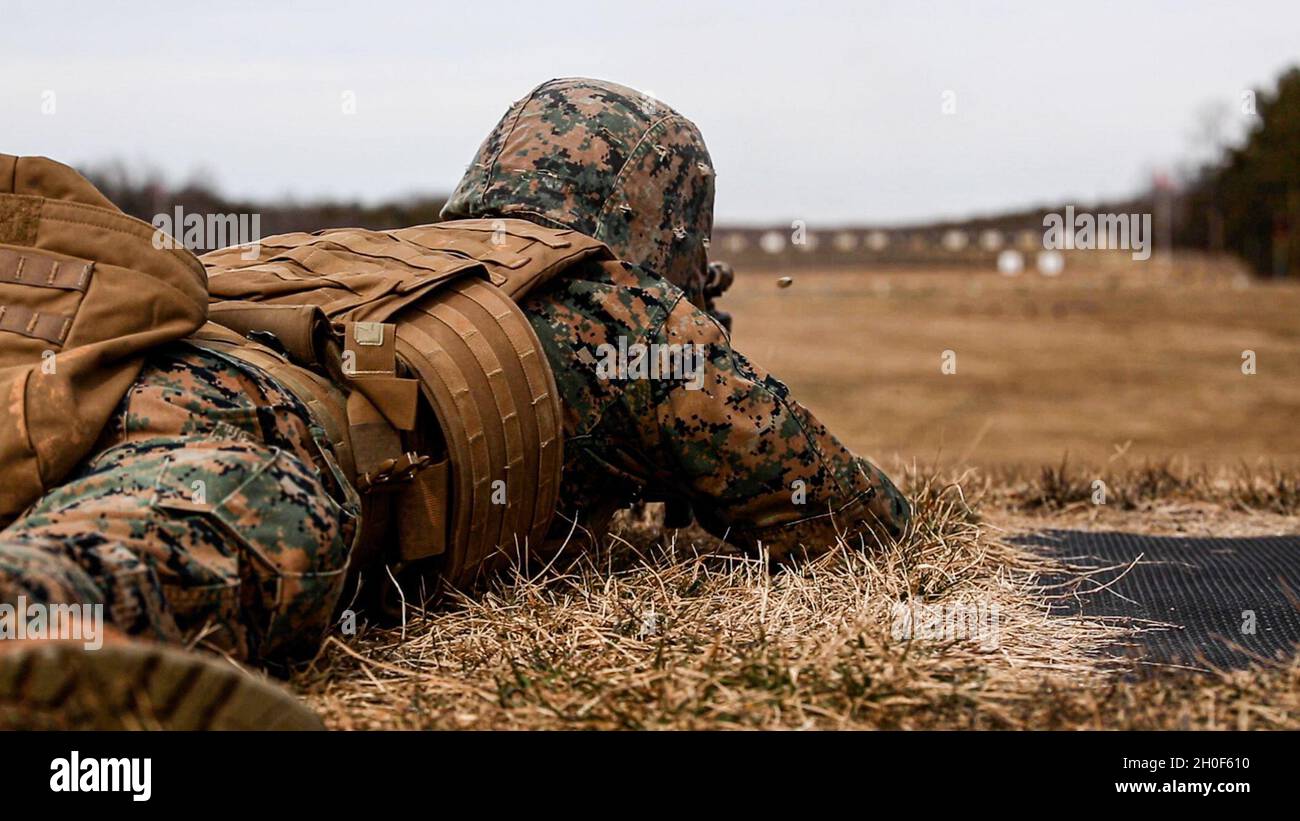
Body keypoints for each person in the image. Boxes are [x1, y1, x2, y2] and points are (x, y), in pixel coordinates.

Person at [0, 78, 907, 729]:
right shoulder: (622, 309)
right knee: (196, 539)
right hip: (239, 424)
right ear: (662, 223)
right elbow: (846, 516)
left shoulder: (394, 252)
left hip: (70, 377)